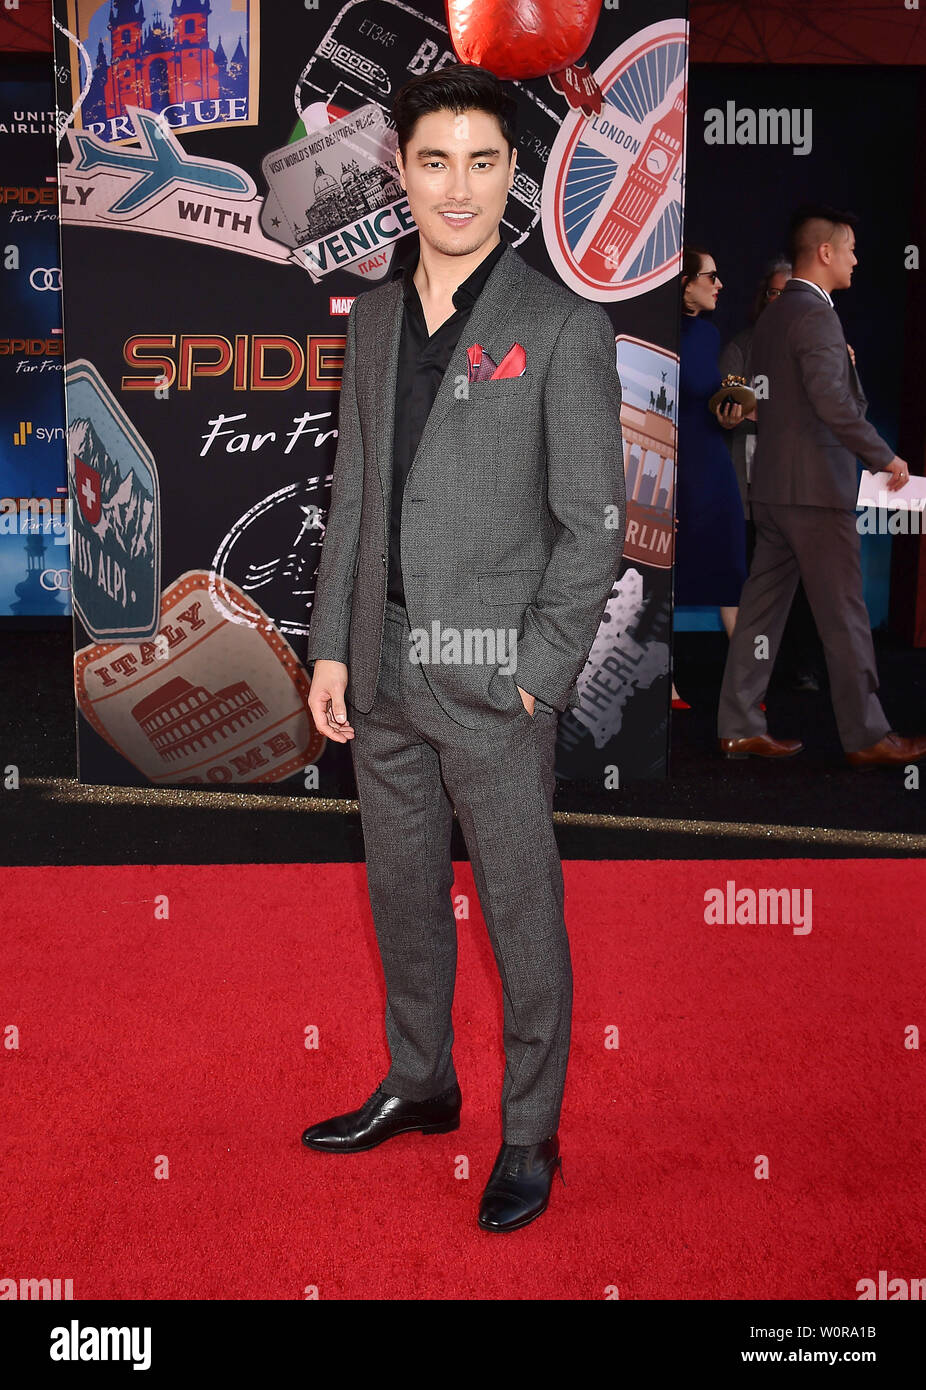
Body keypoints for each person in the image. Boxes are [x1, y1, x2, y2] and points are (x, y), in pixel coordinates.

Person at [301, 65, 625, 1232]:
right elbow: (354, 496)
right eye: (433, 160)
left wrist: (538, 674)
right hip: (378, 668)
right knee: (398, 890)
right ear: (401, 170)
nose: (455, 188)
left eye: (480, 162)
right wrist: (334, 647)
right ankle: (422, 1080)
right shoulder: (377, 314)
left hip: (493, 677)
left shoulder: (559, 325)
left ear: (510, 176)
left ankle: (528, 1131)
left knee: (518, 911)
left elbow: (592, 530)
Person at [717, 203, 926, 768]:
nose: (858, 260)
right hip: (816, 494)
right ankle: (867, 736)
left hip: (774, 492)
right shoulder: (817, 316)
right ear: (826, 253)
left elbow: (785, 399)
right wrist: (884, 456)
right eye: (852, 249)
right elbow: (832, 403)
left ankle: (738, 726)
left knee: (759, 614)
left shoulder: (775, 315)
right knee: (846, 615)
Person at [721, 257, 825, 693]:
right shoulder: (742, 345)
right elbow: (729, 406)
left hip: (799, 485)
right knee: (751, 577)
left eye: (790, 294)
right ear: (764, 298)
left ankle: (803, 666)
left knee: (801, 581)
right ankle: (754, 673)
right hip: (750, 487)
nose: (781, 301)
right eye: (774, 293)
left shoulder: (818, 346)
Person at [671, 247, 747, 706]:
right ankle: (662, 682)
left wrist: (729, 415)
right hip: (669, 468)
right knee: (666, 573)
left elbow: (706, 401)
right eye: (711, 276)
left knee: (732, 568)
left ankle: (744, 689)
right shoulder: (654, 328)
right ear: (686, 283)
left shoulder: (710, 335)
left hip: (712, 465)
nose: (719, 285)